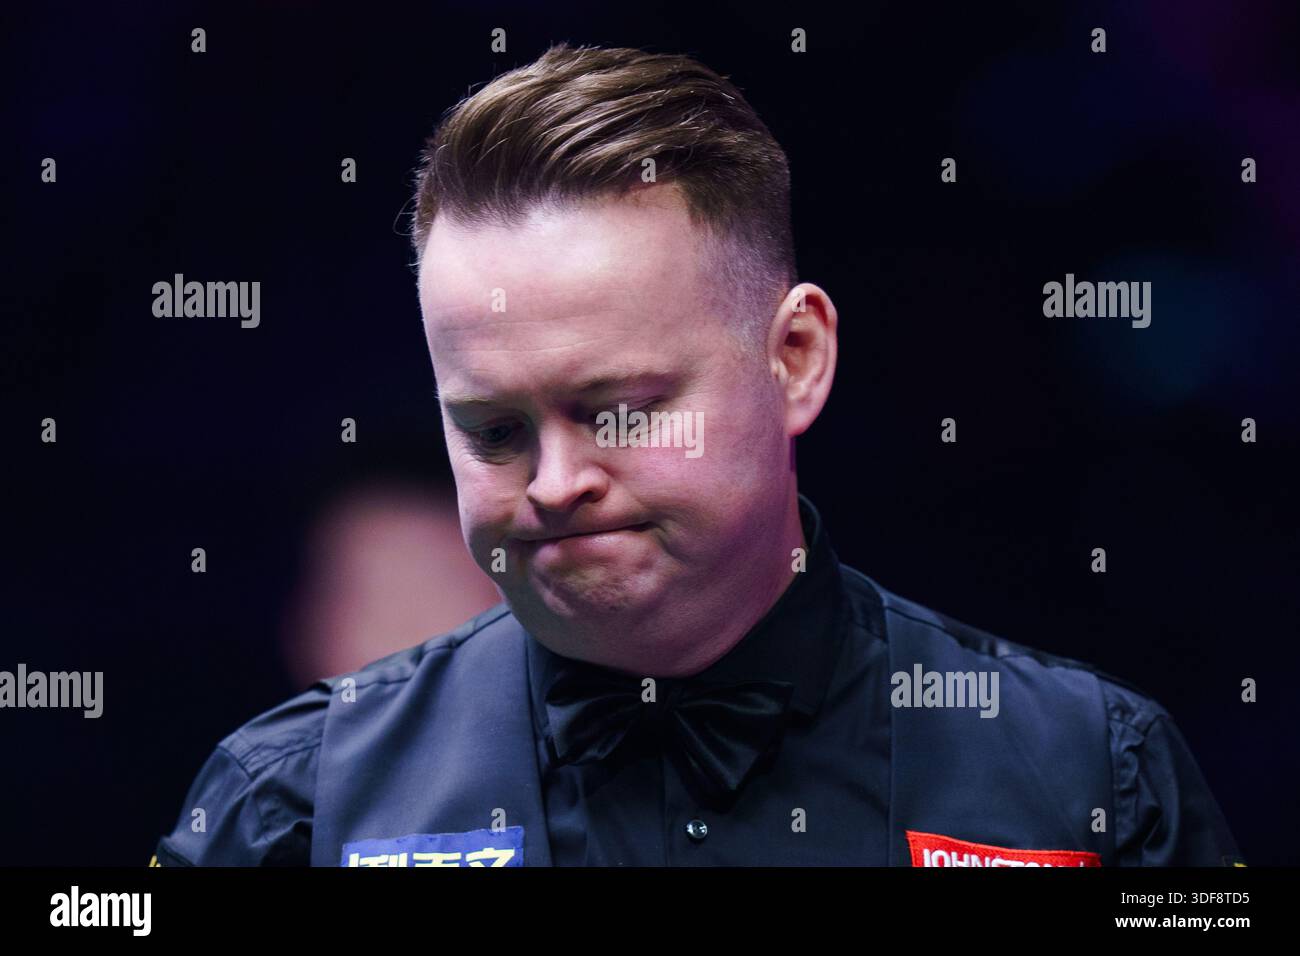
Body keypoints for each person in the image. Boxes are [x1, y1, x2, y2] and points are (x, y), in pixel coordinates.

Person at [152, 42, 1242, 867]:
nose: (553, 483)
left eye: (619, 408)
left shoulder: (1099, 775)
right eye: (492, 429)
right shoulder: (287, 805)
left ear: (796, 360)